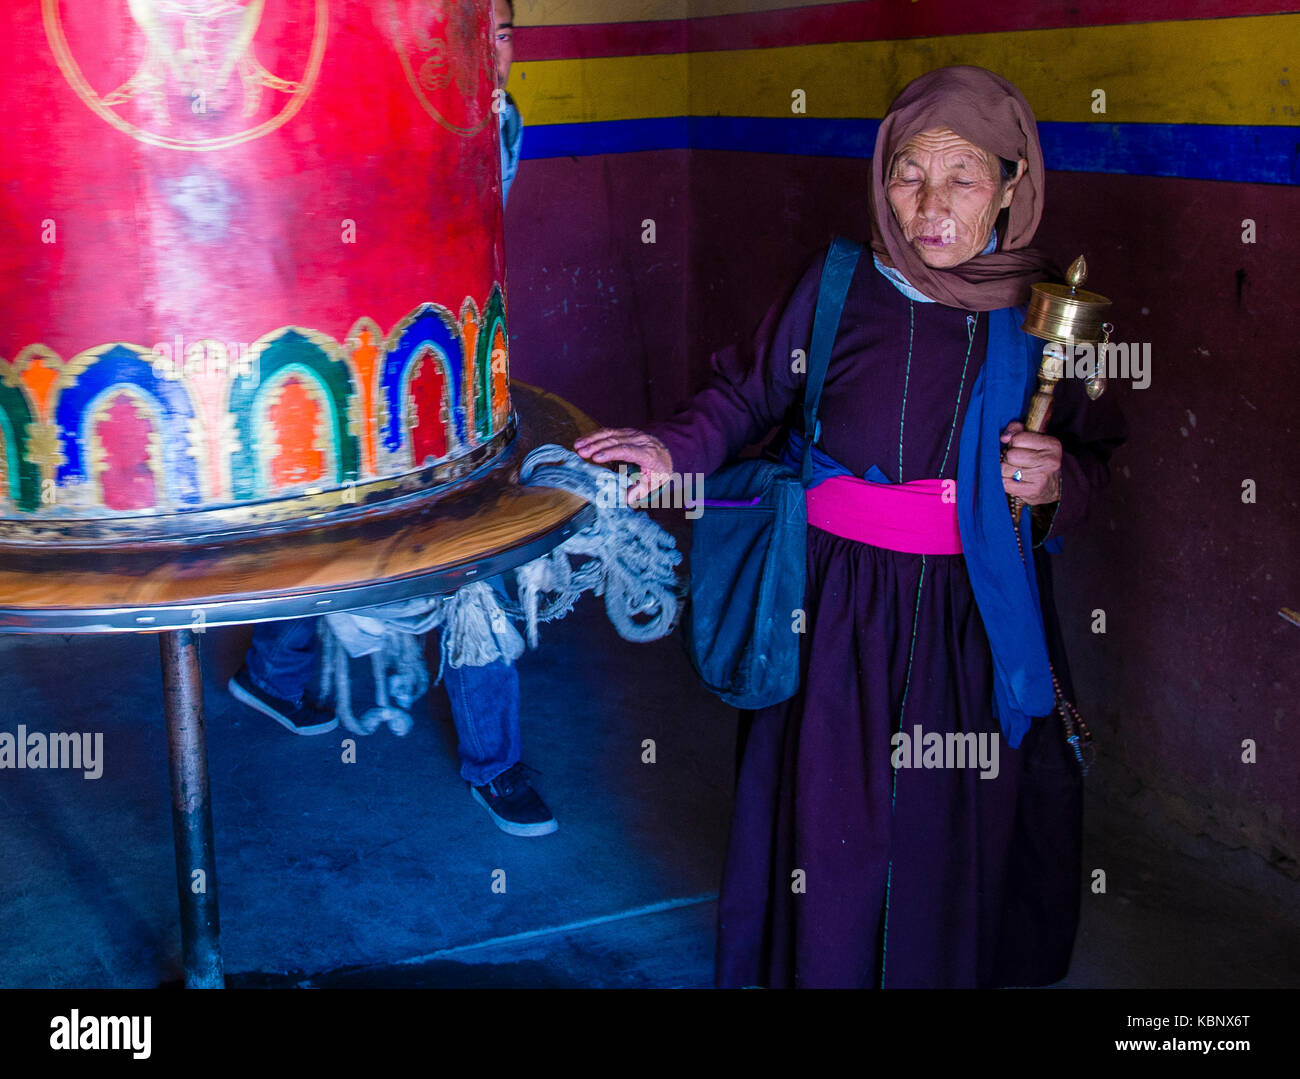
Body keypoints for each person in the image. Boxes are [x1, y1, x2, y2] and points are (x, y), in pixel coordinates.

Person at [576, 65, 1126, 988]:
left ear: (1011, 184)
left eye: (962, 177)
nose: (930, 205)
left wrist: (1059, 479)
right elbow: (746, 392)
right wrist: (673, 451)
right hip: (830, 610)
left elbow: (1099, 458)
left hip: (968, 621)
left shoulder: (1043, 318)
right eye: (909, 172)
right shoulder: (838, 284)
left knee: (947, 827)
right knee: (828, 827)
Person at [228, 0, 556, 838]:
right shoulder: (376, 114)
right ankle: (276, 670)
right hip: (350, 358)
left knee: (466, 552)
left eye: (505, 33)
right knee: (318, 522)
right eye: (476, 33)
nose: (493, 51)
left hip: (446, 369)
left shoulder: (501, 121)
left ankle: (494, 758)